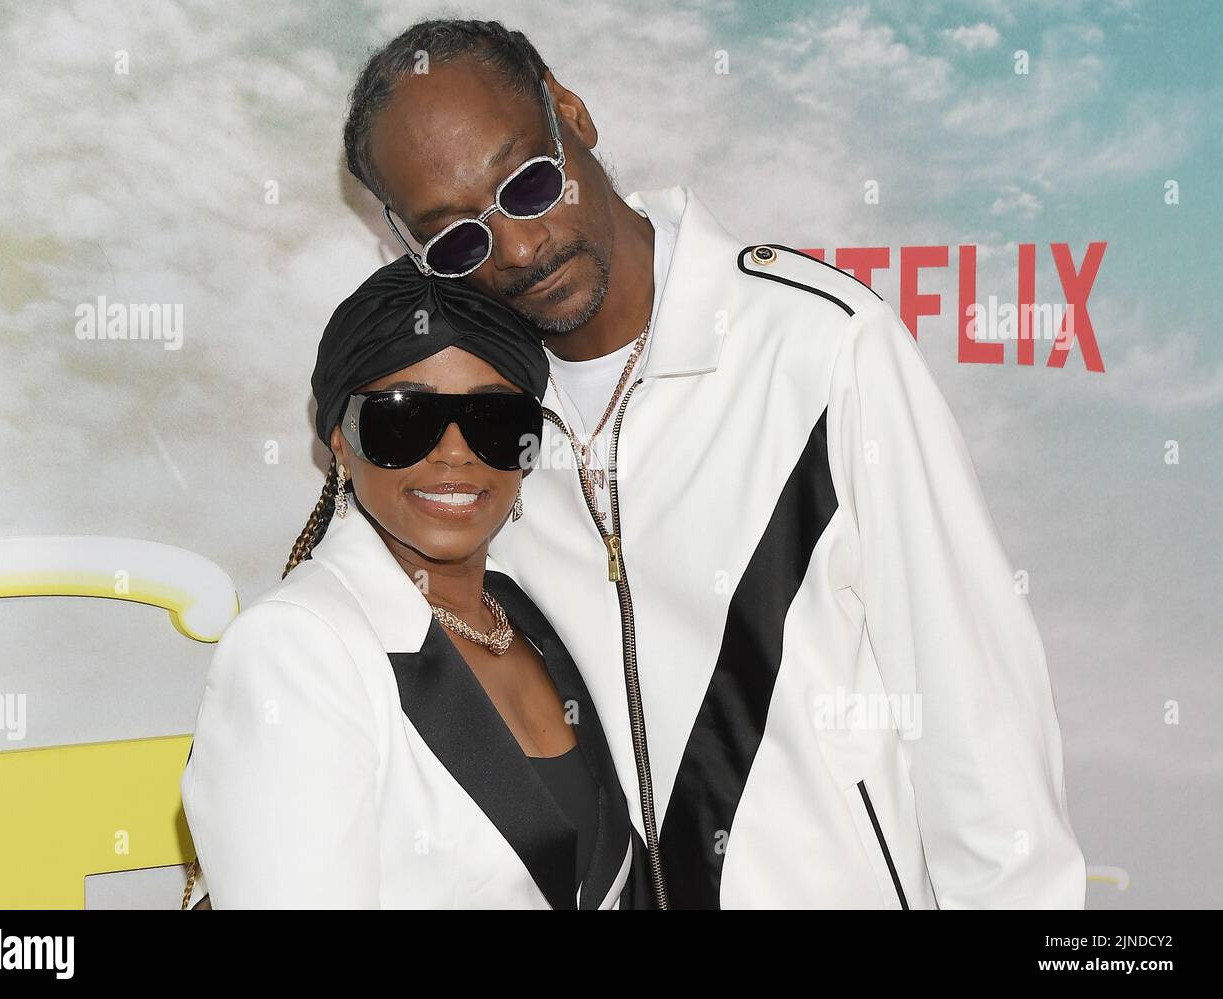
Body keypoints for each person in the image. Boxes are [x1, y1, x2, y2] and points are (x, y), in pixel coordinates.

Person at [337, 18, 1089, 909]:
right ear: (407, 248)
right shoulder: (454, 443)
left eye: (530, 184)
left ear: (569, 110)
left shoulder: (817, 350)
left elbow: (978, 718)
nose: (521, 248)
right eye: (459, 239)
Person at [180, 254, 644, 909]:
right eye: (404, 419)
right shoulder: (295, 649)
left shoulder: (534, 619)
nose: (454, 452)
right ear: (341, 441)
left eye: (494, 422)